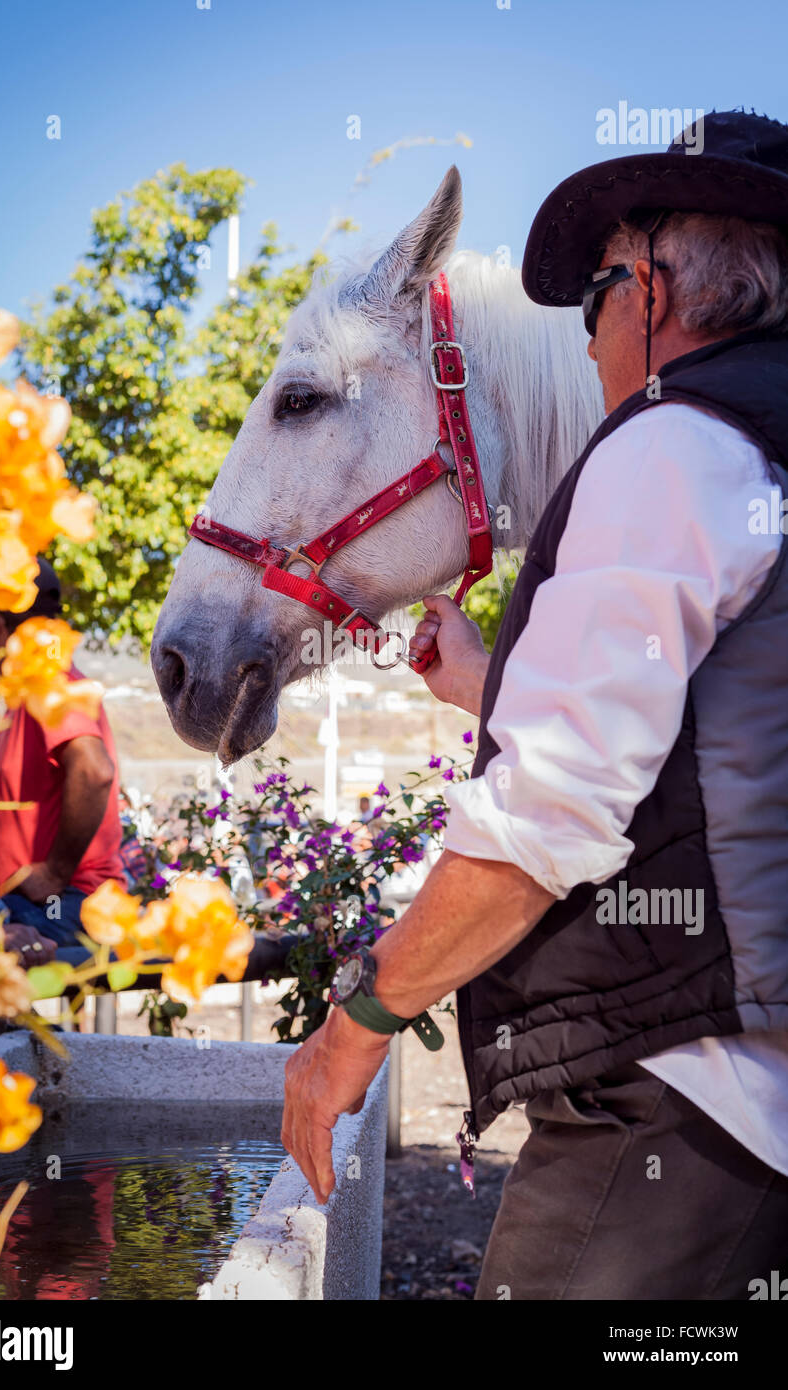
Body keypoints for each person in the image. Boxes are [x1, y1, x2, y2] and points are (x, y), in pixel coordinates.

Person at [282, 110, 788, 1299]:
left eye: (595, 292)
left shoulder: (678, 444)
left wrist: (353, 1027)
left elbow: (548, 816)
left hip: (678, 1105)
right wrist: (482, 686)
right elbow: (716, 739)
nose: (586, 334)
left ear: (651, 288)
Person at [0, 558, 125, 946]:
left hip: (62, 901)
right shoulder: (26, 692)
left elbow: (94, 771)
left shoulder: (49, 678)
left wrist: (55, 873)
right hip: (38, 901)